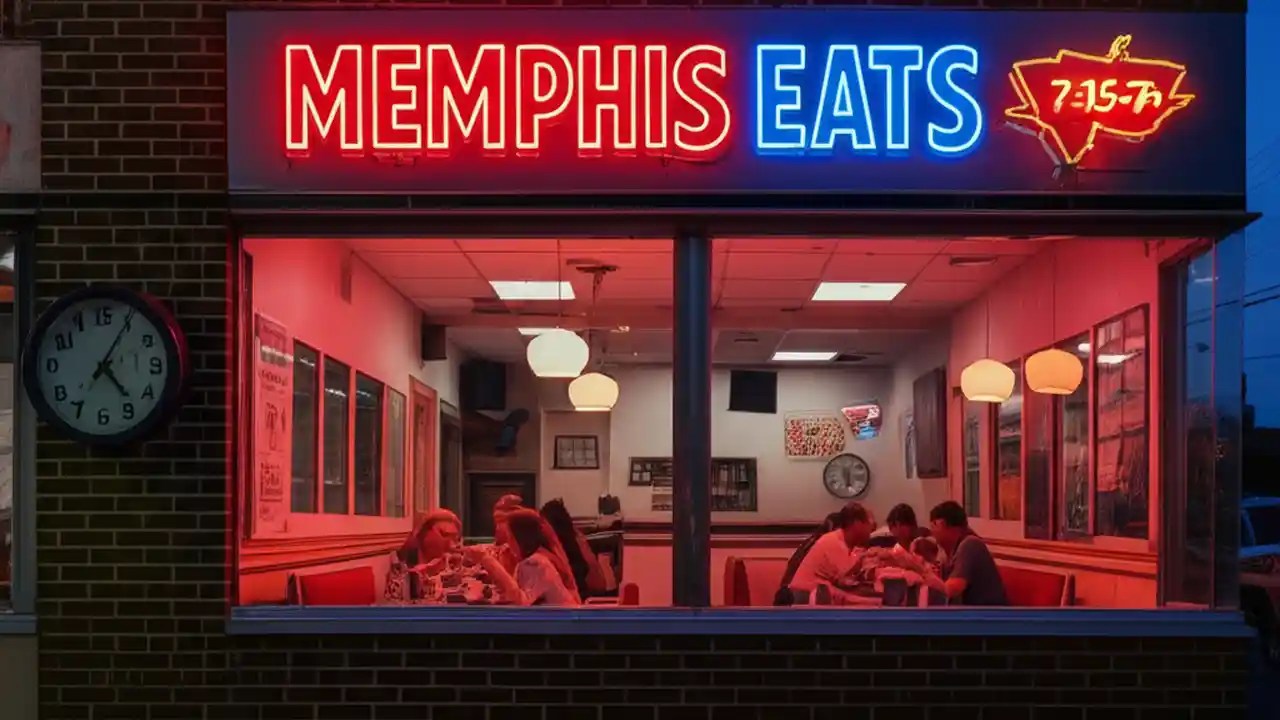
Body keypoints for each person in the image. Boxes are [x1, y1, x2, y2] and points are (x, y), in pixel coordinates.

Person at [468, 509, 581, 606]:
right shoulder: (536, 559)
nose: (508, 544)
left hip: (561, 623)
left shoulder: (537, 563)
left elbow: (521, 603)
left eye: (510, 538)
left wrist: (488, 561)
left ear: (520, 538)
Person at [785, 502, 877, 603]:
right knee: (864, 601)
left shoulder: (846, 543)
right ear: (857, 523)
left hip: (819, 591)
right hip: (805, 595)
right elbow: (847, 580)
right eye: (869, 525)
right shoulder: (833, 541)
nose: (871, 531)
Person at [925, 501, 1008, 606]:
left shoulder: (971, 545)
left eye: (934, 524)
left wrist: (921, 571)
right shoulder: (947, 550)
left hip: (988, 614)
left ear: (946, 524)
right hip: (971, 613)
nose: (932, 530)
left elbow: (951, 590)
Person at [540, 499, 607, 597]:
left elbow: (598, 585)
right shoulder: (577, 543)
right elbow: (599, 585)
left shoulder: (547, 554)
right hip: (581, 599)